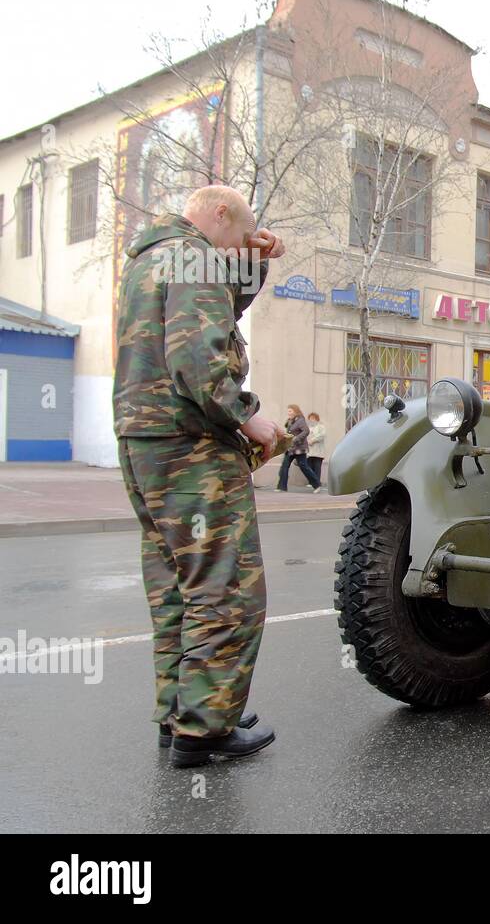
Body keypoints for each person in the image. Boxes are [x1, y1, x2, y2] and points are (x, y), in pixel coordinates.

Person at [114, 184, 282, 767]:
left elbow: (216, 309)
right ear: (220, 215)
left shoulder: (149, 260)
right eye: (241, 235)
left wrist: (253, 264)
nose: (241, 247)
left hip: (142, 442)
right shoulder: (198, 257)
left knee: (175, 591)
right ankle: (205, 730)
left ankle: (180, 714)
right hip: (191, 445)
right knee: (226, 589)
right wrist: (249, 417)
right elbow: (199, 359)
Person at [277, 404, 323, 492]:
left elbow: (306, 431)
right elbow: (289, 431)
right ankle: (282, 487)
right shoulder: (291, 421)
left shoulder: (300, 420)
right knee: (284, 466)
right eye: (288, 411)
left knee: (304, 466)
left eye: (290, 411)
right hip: (290, 448)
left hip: (299, 448)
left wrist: (296, 438)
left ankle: (317, 484)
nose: (288, 413)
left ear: (295, 411)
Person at [306, 412, 327, 486]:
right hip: (309, 451)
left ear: (317, 419)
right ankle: (311, 482)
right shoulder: (308, 427)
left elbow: (322, 435)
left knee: (317, 467)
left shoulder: (321, 426)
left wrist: (313, 440)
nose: (312, 420)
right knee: (309, 466)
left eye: (313, 418)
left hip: (318, 451)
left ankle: (317, 482)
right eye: (310, 419)